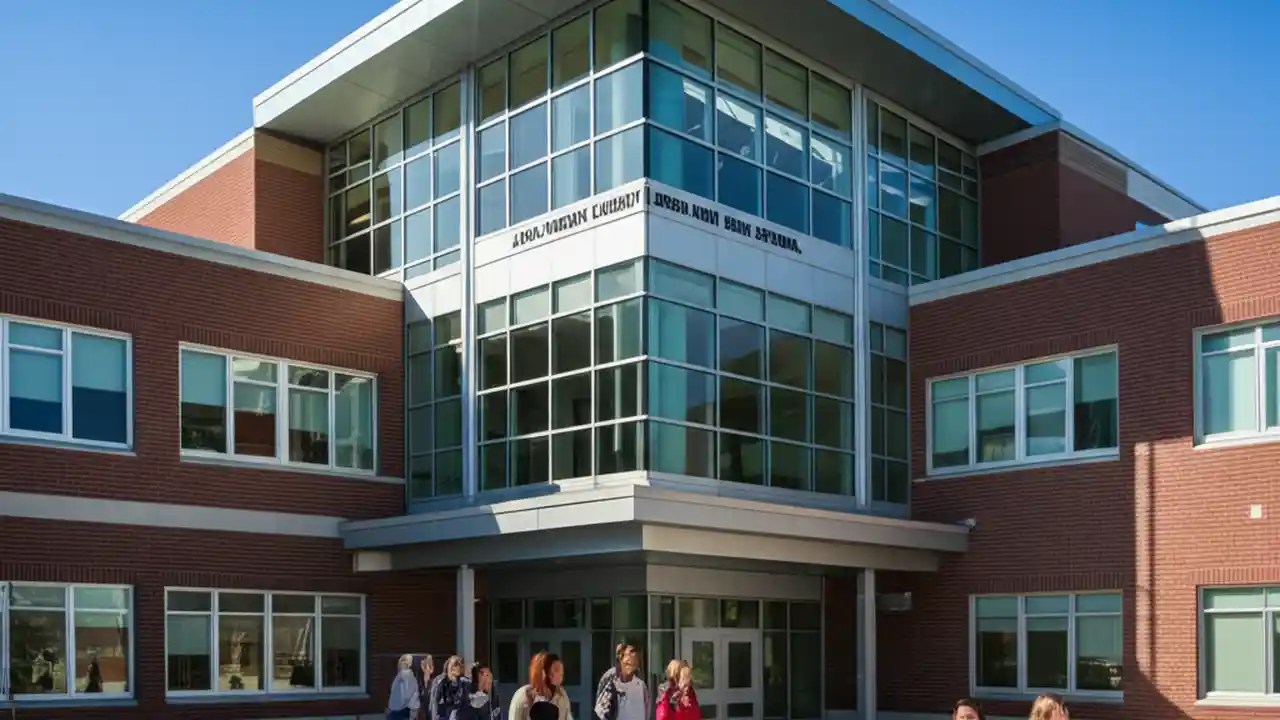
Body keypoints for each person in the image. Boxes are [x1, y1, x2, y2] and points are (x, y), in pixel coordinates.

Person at [510, 652, 572, 720]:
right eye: (556, 669)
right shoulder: (522, 696)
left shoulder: (561, 696)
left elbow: (567, 717)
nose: (561, 673)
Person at [593, 644, 648, 720]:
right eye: (627, 662)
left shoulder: (641, 685)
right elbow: (601, 711)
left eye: (634, 662)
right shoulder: (611, 678)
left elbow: (646, 710)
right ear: (620, 660)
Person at [431, 655, 472, 720]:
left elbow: (468, 703)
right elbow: (435, 704)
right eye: (453, 667)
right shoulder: (440, 682)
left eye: (458, 666)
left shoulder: (465, 683)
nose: (455, 669)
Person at [389, 654, 422, 720]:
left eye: (406, 661)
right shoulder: (400, 675)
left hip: (403, 711)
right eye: (403, 660)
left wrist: (413, 712)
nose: (403, 662)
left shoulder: (407, 675)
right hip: (396, 711)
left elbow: (412, 695)